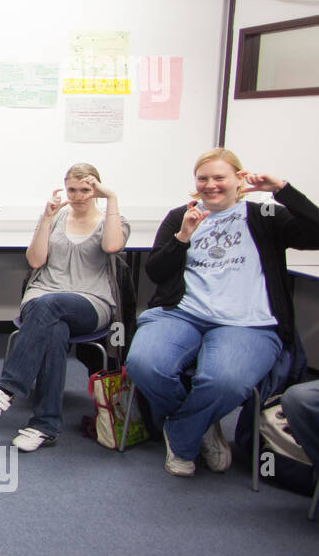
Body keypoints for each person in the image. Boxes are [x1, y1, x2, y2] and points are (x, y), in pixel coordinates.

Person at [126, 149, 319, 477]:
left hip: (248, 321)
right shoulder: (180, 215)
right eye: (203, 178)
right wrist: (182, 237)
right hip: (182, 313)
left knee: (224, 381)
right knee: (144, 364)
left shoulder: (265, 215)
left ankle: (183, 434)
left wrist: (282, 189)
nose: (211, 185)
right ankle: (203, 425)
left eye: (219, 178)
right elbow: (157, 273)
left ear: (239, 180)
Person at [0, 164, 128, 450]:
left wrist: (112, 199)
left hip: (91, 303)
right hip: (42, 297)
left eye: (86, 190)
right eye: (72, 190)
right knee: (54, 330)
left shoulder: (112, 220)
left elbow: (113, 246)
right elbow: (35, 261)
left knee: (51, 306)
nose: (78, 196)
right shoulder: (55, 218)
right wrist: (46, 217)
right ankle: (44, 425)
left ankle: (6, 389)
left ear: (97, 190)